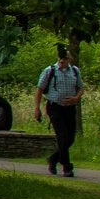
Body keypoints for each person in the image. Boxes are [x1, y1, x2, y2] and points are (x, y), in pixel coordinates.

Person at [34, 44, 86, 177]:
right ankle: (67, 166)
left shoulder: (74, 71)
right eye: (60, 58)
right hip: (55, 107)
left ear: (70, 59)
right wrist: (37, 108)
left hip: (69, 108)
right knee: (62, 136)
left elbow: (81, 87)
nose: (62, 61)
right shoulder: (49, 71)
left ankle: (53, 158)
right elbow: (39, 89)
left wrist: (75, 98)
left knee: (70, 138)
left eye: (65, 58)